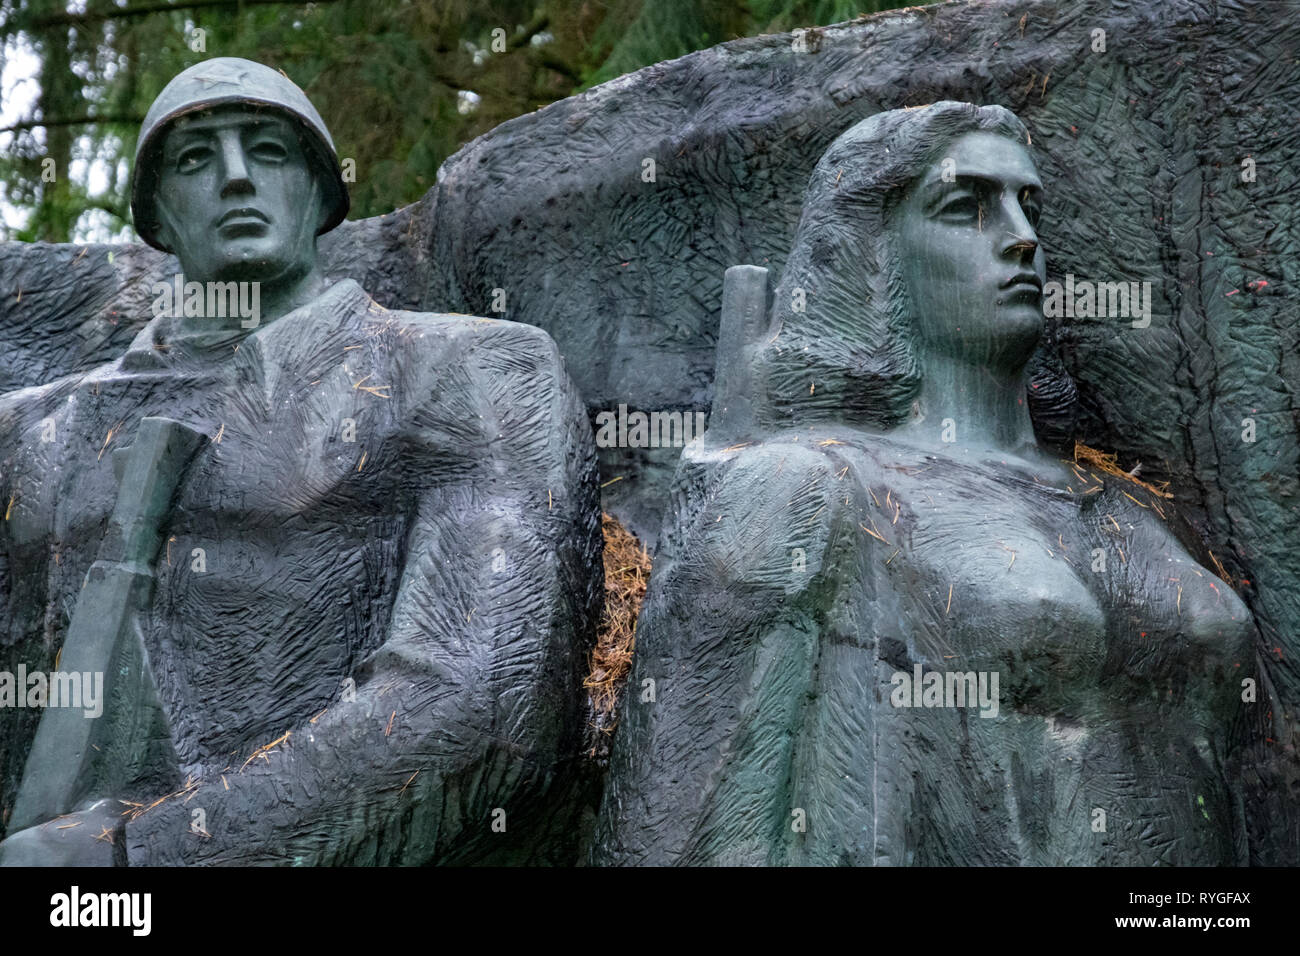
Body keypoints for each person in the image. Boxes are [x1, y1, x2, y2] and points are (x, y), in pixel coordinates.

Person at [595, 102, 1254, 865]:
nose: (1023, 237)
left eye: (1029, 205)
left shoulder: (1125, 505)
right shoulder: (802, 483)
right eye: (966, 206)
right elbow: (688, 826)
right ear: (874, 257)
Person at [0, 58, 601, 865]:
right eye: (195, 158)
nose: (236, 177)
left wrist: (139, 857)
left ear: (321, 194)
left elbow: (479, 703)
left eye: (270, 150)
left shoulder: (465, 371)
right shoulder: (34, 432)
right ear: (156, 217)